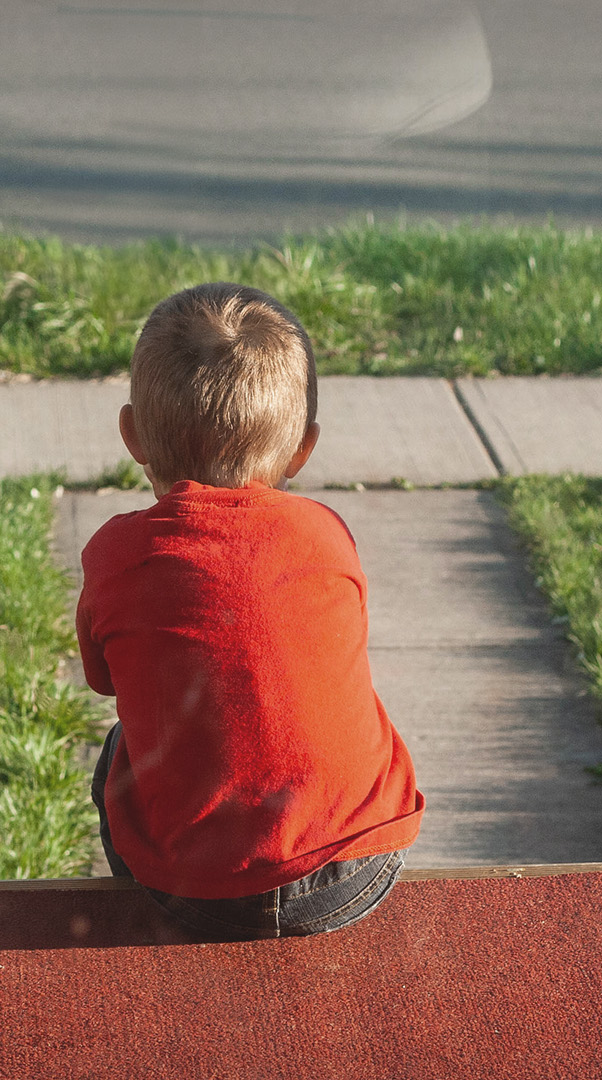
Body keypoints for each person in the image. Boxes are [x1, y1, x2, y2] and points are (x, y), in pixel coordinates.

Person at [76, 282, 423, 940]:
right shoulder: (325, 532)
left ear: (131, 436)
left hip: (187, 891)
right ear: (304, 448)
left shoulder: (115, 553)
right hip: (354, 871)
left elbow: (105, 679)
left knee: (121, 744)